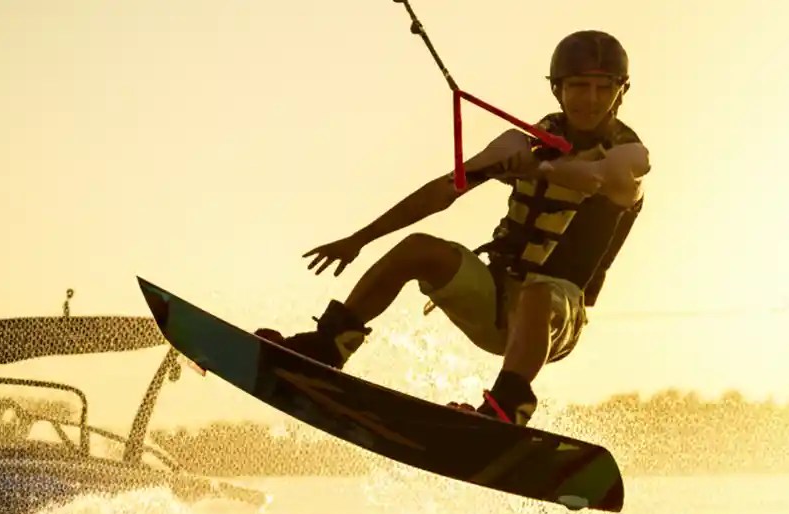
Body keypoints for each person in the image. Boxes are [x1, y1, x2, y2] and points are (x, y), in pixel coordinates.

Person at [256, 30, 651, 427]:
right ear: (557, 89)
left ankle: (507, 407)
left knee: (537, 290)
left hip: (555, 316)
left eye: (605, 87)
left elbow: (602, 177)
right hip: (495, 296)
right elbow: (442, 191)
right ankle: (327, 349)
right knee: (418, 248)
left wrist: (538, 168)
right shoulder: (522, 142)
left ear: (622, 91)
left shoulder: (630, 154)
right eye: (579, 86)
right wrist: (360, 239)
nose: (592, 99)